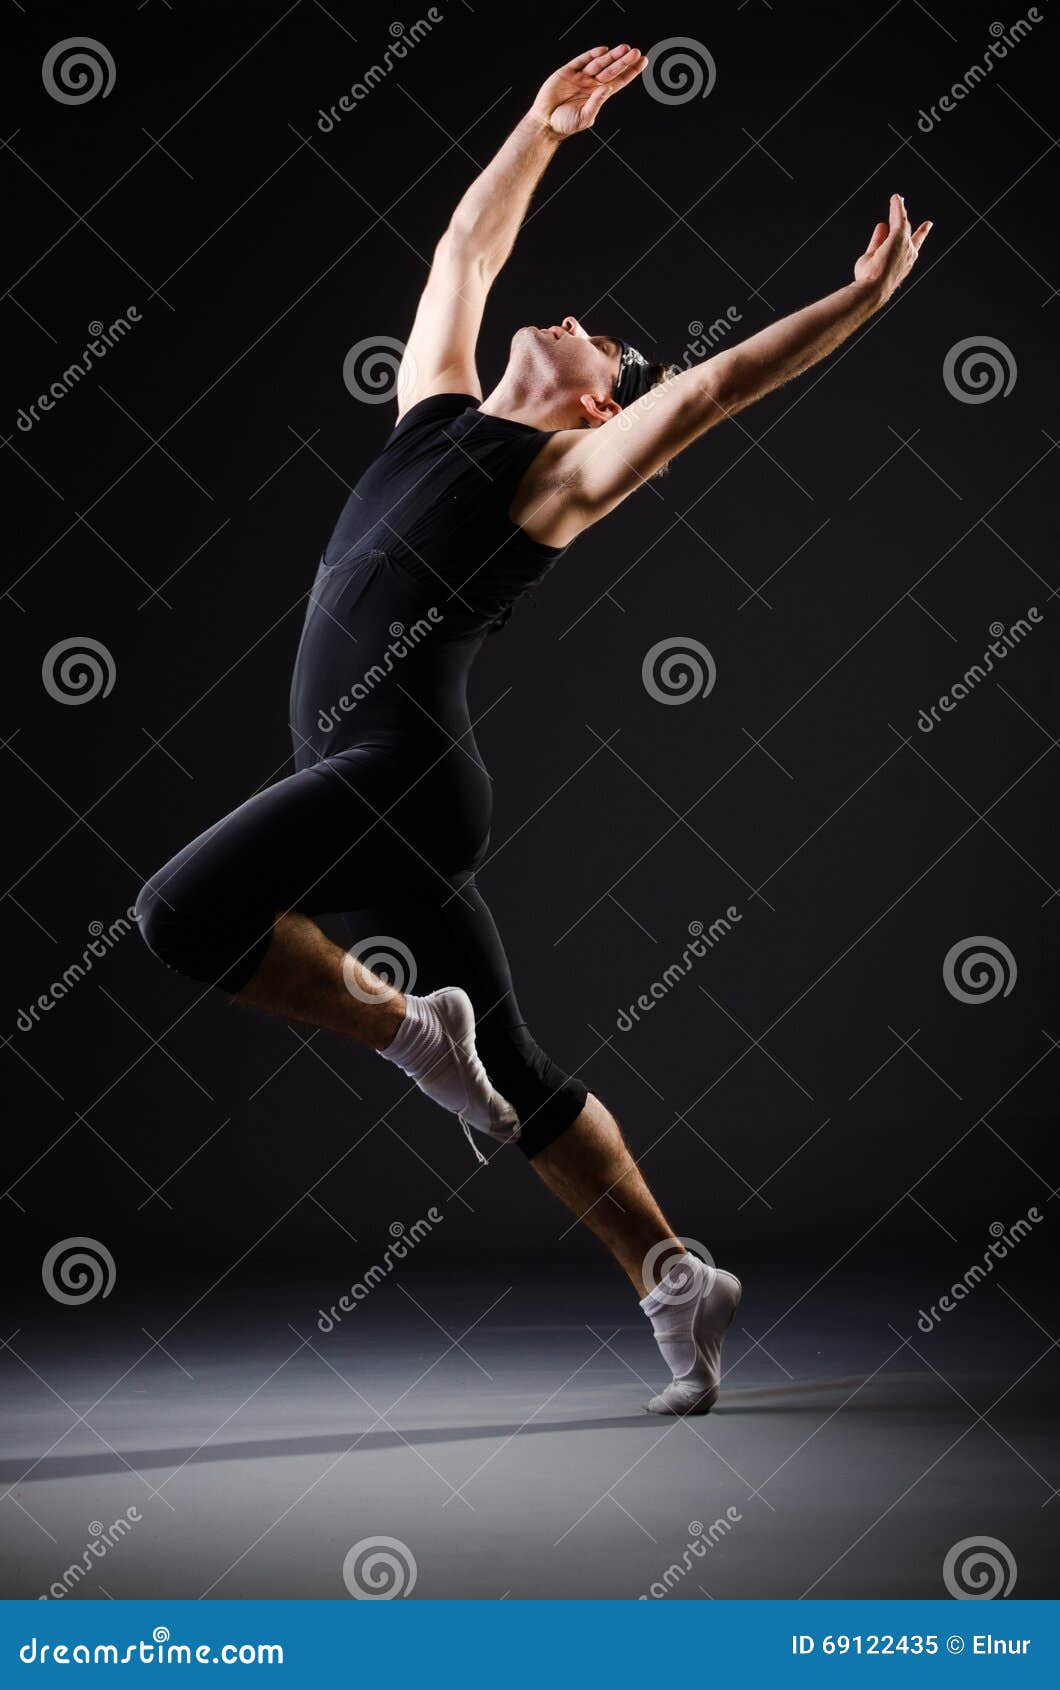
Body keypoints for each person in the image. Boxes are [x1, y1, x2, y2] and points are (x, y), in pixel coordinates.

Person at [135, 45, 932, 1415]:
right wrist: (542, 127)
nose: (576, 318)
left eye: (603, 340)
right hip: (382, 795)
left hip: (397, 777)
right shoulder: (431, 410)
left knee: (175, 916)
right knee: (526, 1083)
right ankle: (678, 1280)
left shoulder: (559, 474)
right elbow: (466, 244)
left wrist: (856, 306)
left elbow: (711, 394)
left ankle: (407, 1039)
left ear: (593, 402)